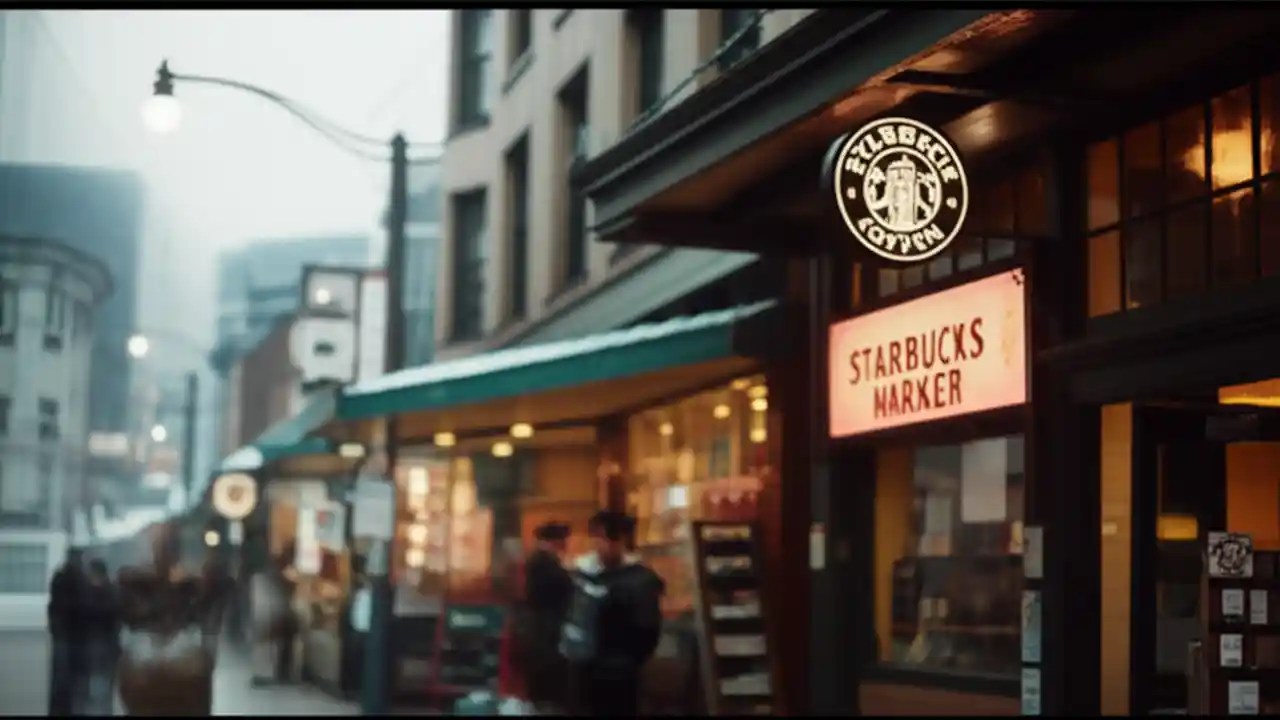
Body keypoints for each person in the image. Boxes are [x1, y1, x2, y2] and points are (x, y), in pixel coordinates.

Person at [561, 511, 665, 717]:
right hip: (583, 670)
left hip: (619, 673)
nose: (602, 545)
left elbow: (648, 629)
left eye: (607, 538)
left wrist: (628, 660)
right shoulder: (580, 574)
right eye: (597, 538)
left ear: (622, 541)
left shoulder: (640, 580)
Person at [519, 521, 574, 712]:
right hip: (545, 632)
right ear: (555, 541)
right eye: (564, 540)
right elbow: (563, 588)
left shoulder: (539, 561)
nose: (566, 545)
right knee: (548, 685)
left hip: (540, 631)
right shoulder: (544, 564)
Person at [79, 558, 121, 716]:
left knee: (99, 691)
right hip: (107, 649)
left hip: (98, 649)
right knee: (103, 692)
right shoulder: (112, 592)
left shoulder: (95, 594)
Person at [48, 548, 86, 716]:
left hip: (63, 633)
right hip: (71, 633)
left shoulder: (60, 577)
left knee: (61, 676)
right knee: (70, 676)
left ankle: (59, 709)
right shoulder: (76, 579)